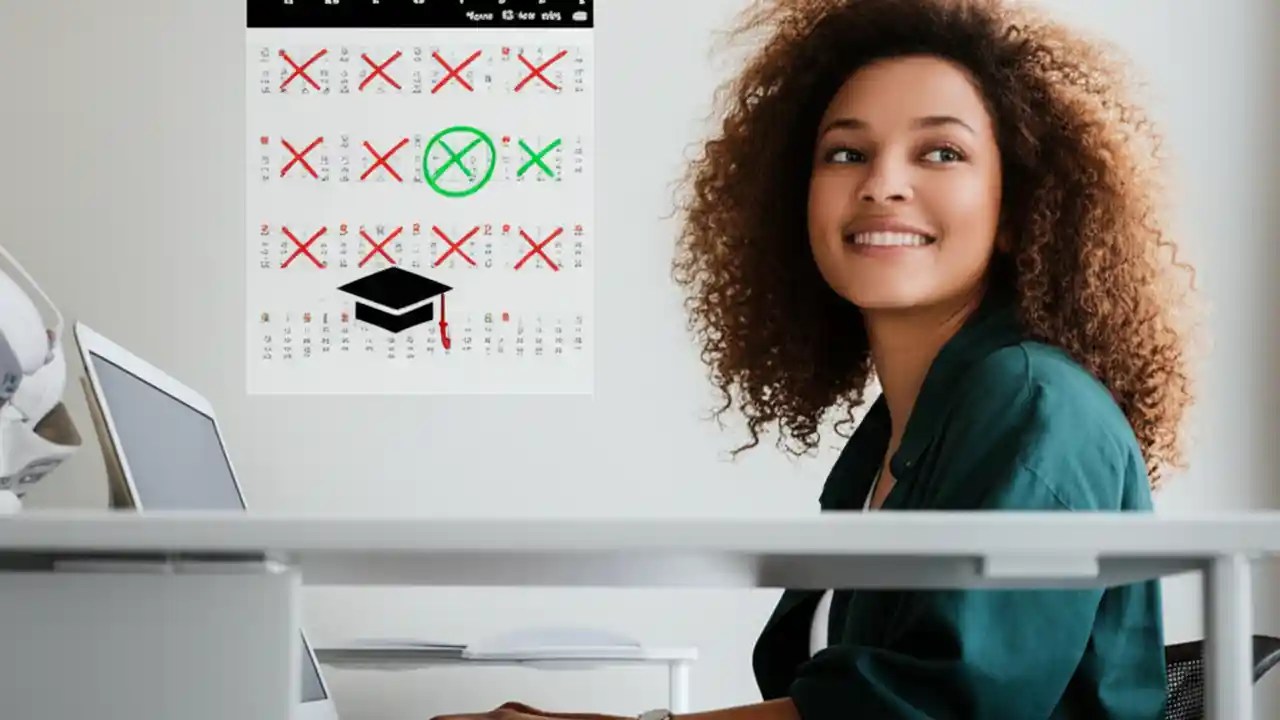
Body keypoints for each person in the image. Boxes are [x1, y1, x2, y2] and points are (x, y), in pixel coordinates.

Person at [432, 0, 1198, 717]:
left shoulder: (1034, 403)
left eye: (940, 151)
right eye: (845, 152)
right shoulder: (893, 435)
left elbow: (930, 707)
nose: (881, 184)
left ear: (1017, 212)